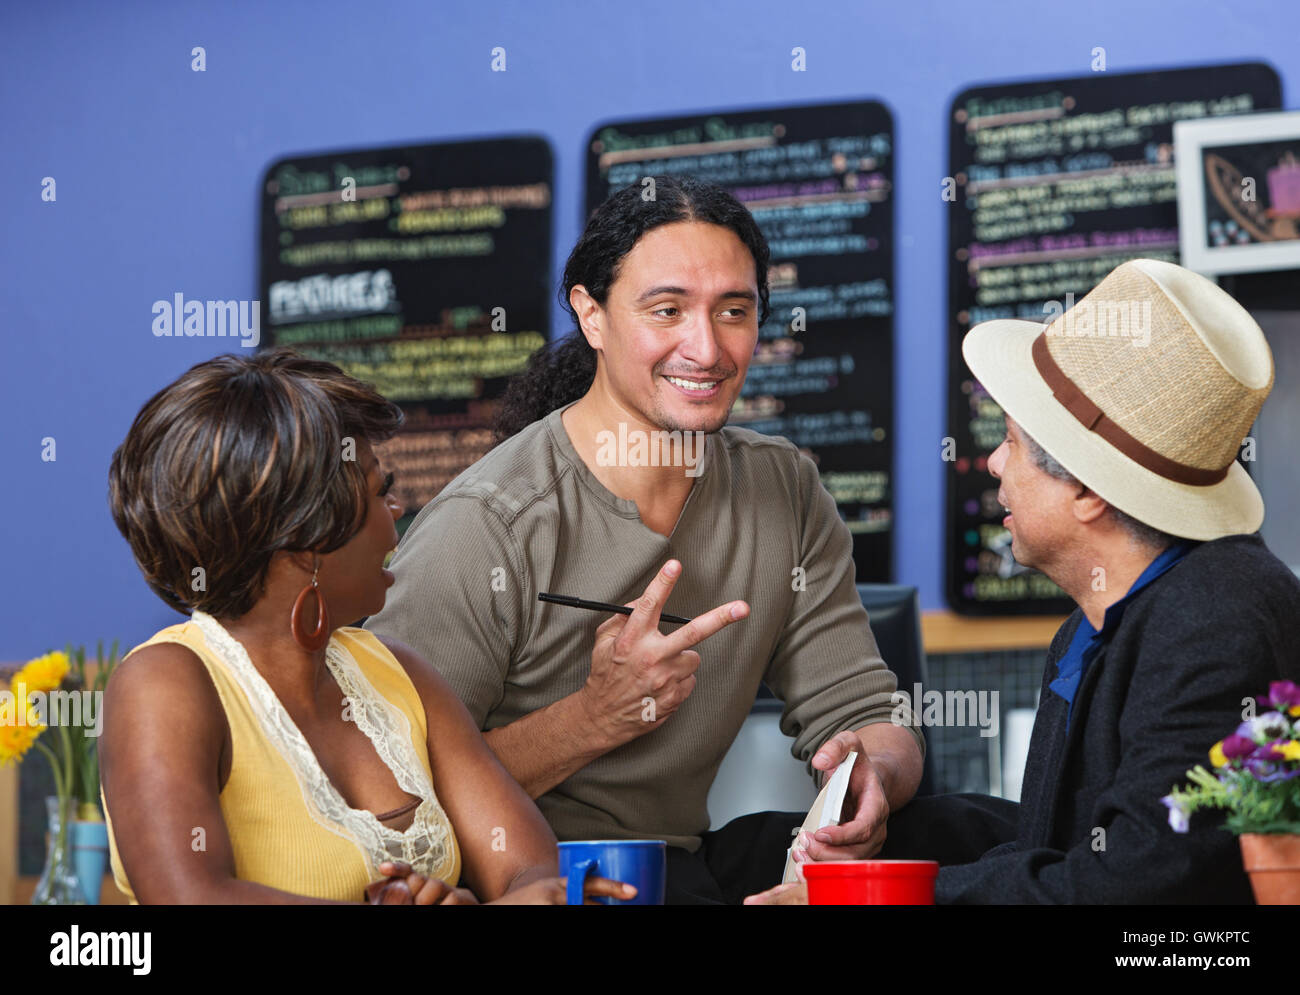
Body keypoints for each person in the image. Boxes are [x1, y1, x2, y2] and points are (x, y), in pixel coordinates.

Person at [365, 175, 925, 904]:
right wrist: (594, 717)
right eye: (667, 310)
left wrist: (868, 777)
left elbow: (865, 715)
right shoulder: (487, 523)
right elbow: (390, 804)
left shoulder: (784, 489)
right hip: (529, 881)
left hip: (678, 868)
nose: (708, 346)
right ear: (591, 316)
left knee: (965, 835)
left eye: (735, 311)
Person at [748, 257, 1300, 904]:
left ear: (1088, 490)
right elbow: (1052, 848)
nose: (992, 462)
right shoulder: (1089, 629)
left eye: (1010, 439)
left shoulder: (1217, 619)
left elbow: (1136, 886)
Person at [101, 349, 633, 905]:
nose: (398, 513)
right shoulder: (164, 683)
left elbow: (526, 867)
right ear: (308, 534)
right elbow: (188, 897)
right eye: (381, 492)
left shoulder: (399, 671)